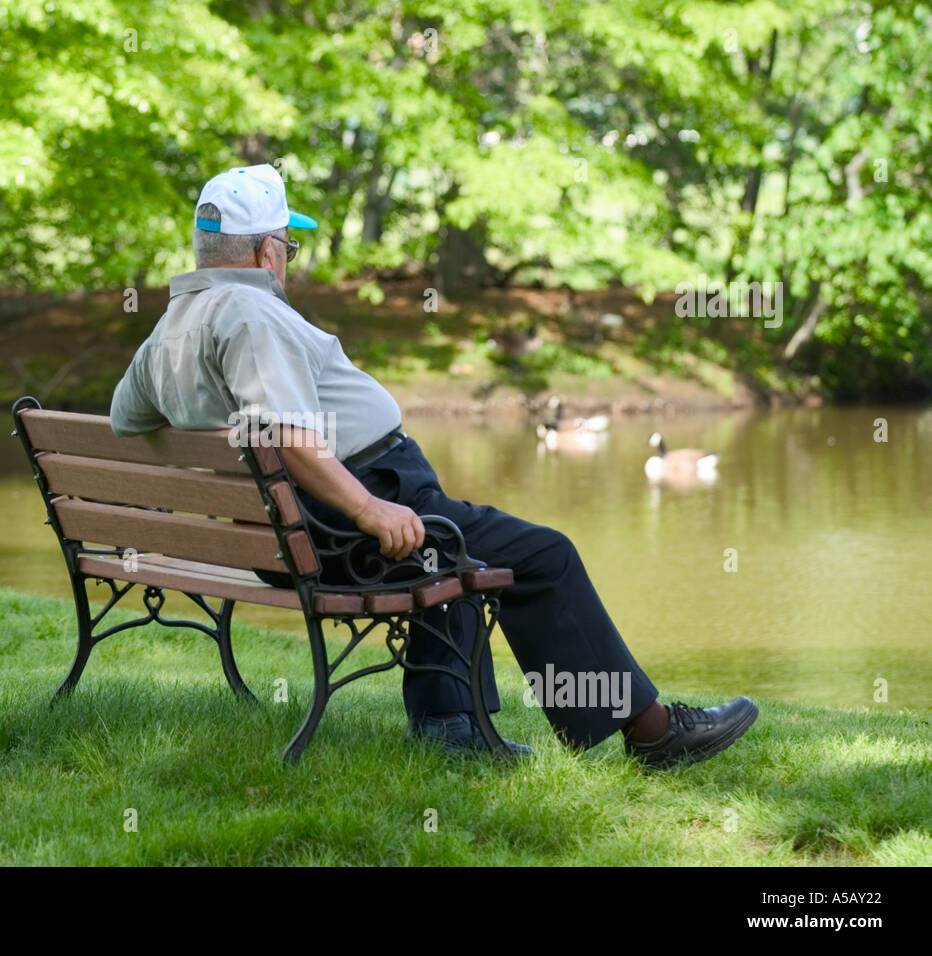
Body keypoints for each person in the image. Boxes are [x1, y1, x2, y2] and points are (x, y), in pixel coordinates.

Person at [110, 163, 758, 767]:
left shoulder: (172, 325)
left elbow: (129, 421)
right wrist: (370, 508)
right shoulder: (251, 314)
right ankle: (653, 733)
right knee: (542, 555)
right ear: (264, 251)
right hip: (345, 522)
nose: (287, 261)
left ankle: (448, 724)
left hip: (285, 531)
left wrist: (223, 450)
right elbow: (288, 434)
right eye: (287, 246)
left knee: (448, 544)